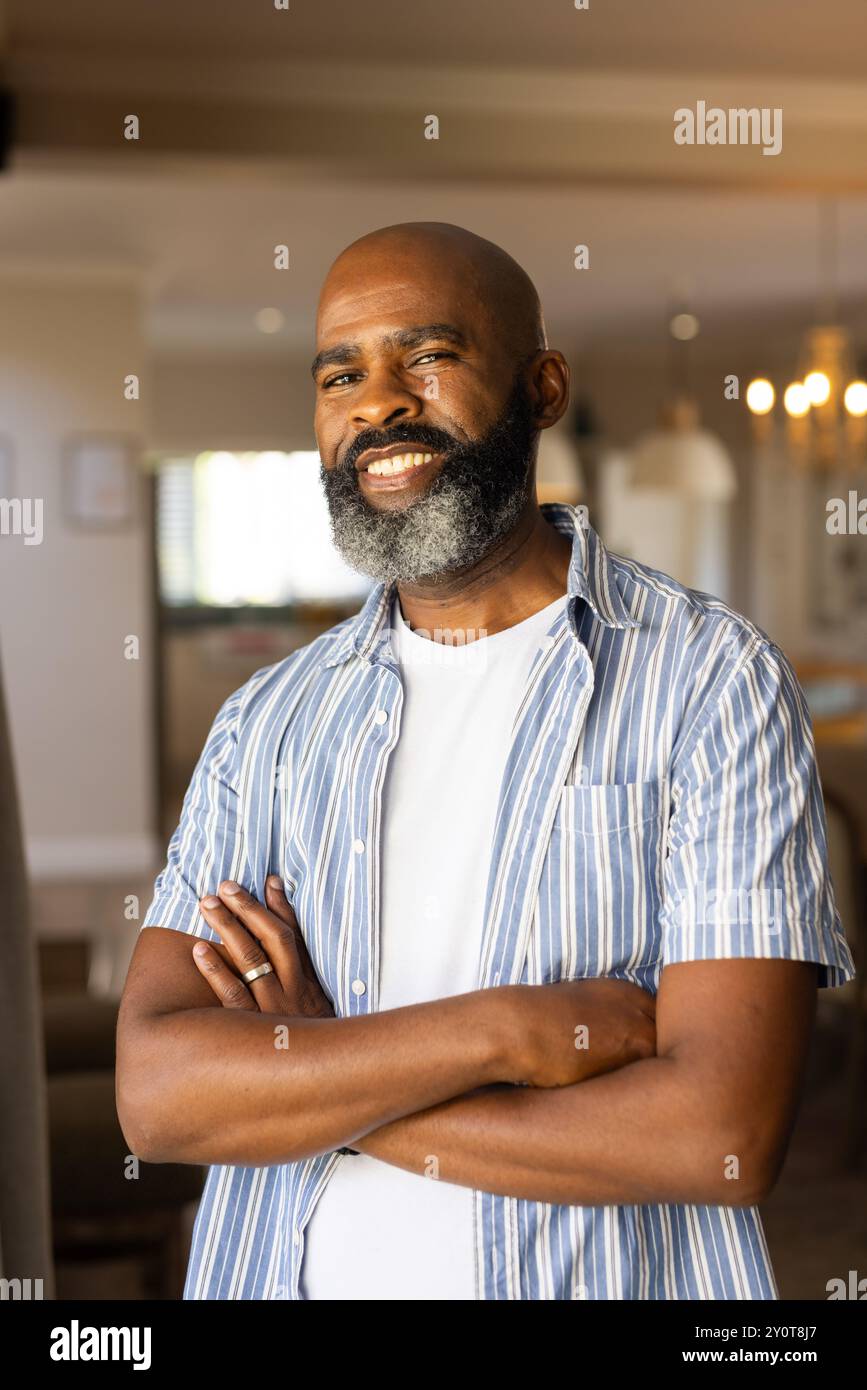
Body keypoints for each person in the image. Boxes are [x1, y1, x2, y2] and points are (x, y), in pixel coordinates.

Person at [117, 222, 855, 1301]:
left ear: (542, 385)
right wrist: (511, 1027)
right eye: (341, 374)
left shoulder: (710, 682)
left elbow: (718, 1137)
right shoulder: (263, 724)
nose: (377, 404)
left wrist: (312, 1070)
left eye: (427, 356)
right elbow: (162, 1097)